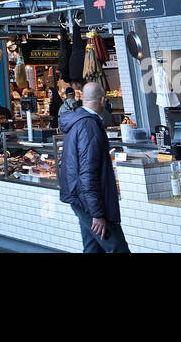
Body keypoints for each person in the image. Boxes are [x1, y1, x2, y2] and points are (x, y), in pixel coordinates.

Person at [57, 82, 129, 252]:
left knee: (93, 249)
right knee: (118, 249)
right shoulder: (89, 127)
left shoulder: (77, 122)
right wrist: (97, 213)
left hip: (80, 198)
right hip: (89, 201)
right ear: (102, 100)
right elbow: (87, 173)